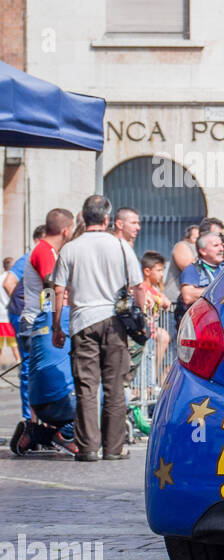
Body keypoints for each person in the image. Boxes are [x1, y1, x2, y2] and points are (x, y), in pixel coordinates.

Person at [50, 195, 146, 462]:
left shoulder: (70, 248)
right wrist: (141, 318)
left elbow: (59, 289)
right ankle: (114, 448)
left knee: (86, 387)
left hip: (82, 321)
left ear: (84, 216)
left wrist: (57, 325)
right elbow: (138, 286)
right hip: (114, 321)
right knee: (114, 387)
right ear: (106, 219)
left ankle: (88, 447)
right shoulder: (119, 246)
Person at [12, 210, 78, 454]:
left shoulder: (47, 251)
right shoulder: (44, 251)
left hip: (41, 321)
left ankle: (37, 430)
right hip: (38, 323)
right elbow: (52, 286)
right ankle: (37, 426)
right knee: (42, 377)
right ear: (65, 230)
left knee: (44, 378)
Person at [2, 225, 49, 419]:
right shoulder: (30, 257)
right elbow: (8, 282)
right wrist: (25, 305)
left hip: (33, 316)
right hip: (25, 316)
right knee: (30, 367)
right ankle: (30, 418)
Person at [178, 231, 224, 322]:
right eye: (216, 245)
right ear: (203, 251)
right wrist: (222, 290)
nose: (221, 249)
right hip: (202, 324)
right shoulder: (192, 269)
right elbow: (188, 296)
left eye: (221, 245)